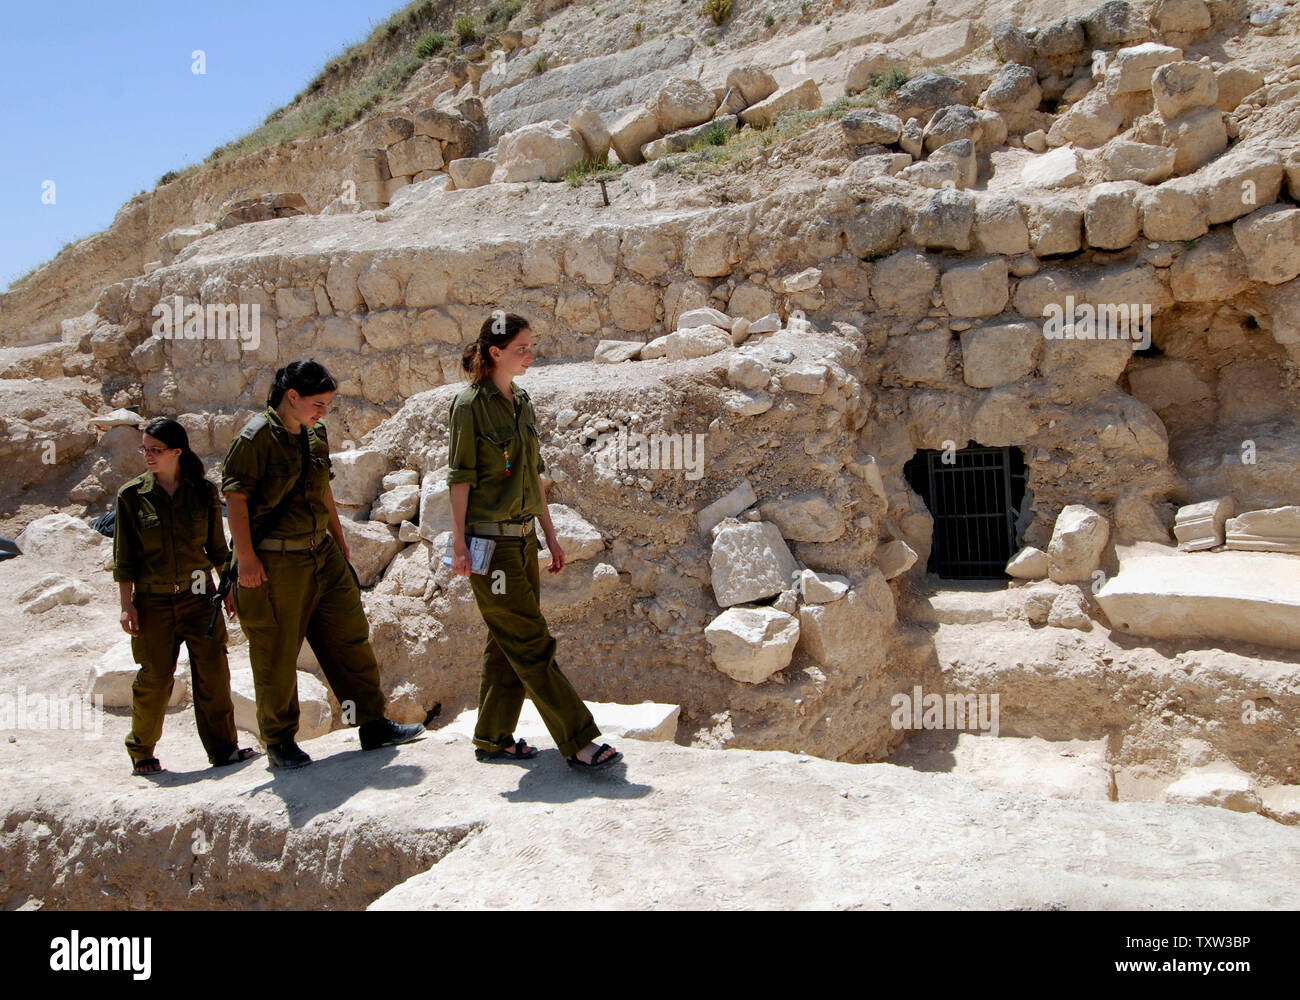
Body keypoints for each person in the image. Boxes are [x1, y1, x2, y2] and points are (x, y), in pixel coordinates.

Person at [221, 360, 424, 769]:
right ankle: (279, 741)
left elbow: (321, 488)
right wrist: (245, 560)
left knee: (348, 636)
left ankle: (370, 722)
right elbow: (236, 500)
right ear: (291, 396)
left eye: (328, 404)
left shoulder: (314, 433)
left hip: (322, 553)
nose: (324, 412)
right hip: (276, 561)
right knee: (277, 653)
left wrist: (339, 538)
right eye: (318, 403)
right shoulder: (257, 437)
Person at [448, 312, 622, 772]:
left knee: (507, 642)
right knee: (530, 642)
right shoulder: (469, 406)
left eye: (531, 346)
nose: (530, 355)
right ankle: (579, 739)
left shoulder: (522, 401)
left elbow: (532, 478)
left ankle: (492, 737)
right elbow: (460, 479)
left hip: (523, 540)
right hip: (491, 548)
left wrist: (550, 536)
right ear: (495, 352)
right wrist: (459, 545)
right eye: (521, 348)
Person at [113, 417, 257, 775]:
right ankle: (142, 751)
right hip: (153, 602)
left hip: (198, 597)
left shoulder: (204, 491)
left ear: (176, 452)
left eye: (155, 450)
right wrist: (126, 604)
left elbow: (218, 547)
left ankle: (224, 751)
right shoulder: (131, 496)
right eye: (144, 449)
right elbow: (124, 558)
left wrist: (228, 588)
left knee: (213, 673)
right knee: (155, 678)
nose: (147, 456)